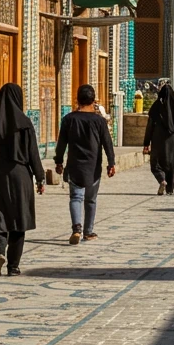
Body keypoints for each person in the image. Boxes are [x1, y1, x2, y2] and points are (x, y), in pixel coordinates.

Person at [0, 83, 44, 277]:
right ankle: (13, 266)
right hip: (21, 176)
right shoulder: (25, 123)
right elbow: (33, 154)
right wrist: (40, 178)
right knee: (19, 220)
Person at [54, 84, 116, 244]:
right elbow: (107, 143)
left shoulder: (69, 119)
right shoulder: (99, 121)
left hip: (75, 165)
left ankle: (76, 229)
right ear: (93, 100)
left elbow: (62, 143)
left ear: (77, 99)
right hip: (93, 166)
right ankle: (88, 232)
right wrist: (111, 163)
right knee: (91, 199)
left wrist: (58, 161)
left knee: (76, 197)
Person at [143, 83, 174, 195]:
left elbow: (150, 126)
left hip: (159, 139)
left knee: (156, 163)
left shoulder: (156, 107)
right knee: (172, 164)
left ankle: (162, 180)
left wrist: (146, 143)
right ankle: (170, 189)